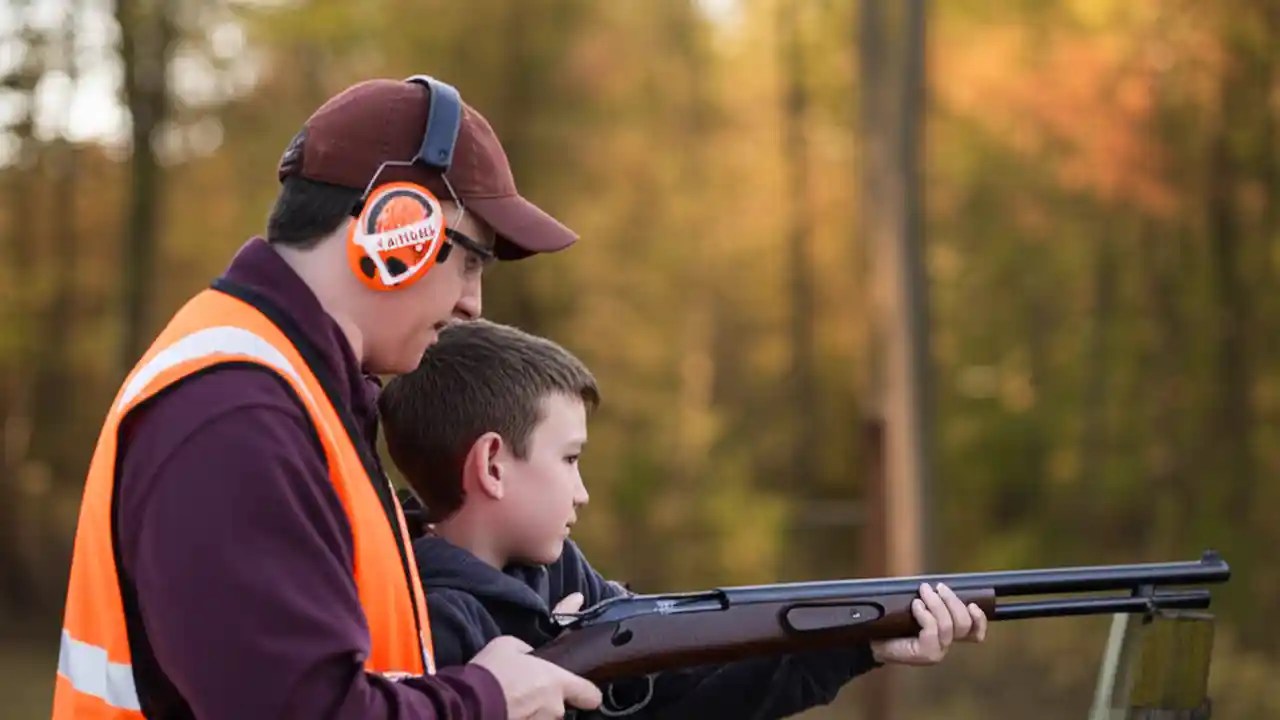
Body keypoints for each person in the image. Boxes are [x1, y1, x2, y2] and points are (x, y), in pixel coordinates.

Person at [52, 75, 603, 719]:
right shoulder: (236, 416)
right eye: (472, 260)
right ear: (398, 227)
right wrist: (487, 699)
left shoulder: (299, 400)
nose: (472, 304)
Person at [378, 320, 990, 719]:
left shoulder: (560, 574)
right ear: (492, 464)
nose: (583, 492)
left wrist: (857, 644)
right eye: (569, 459)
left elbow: (691, 699)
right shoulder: (432, 621)